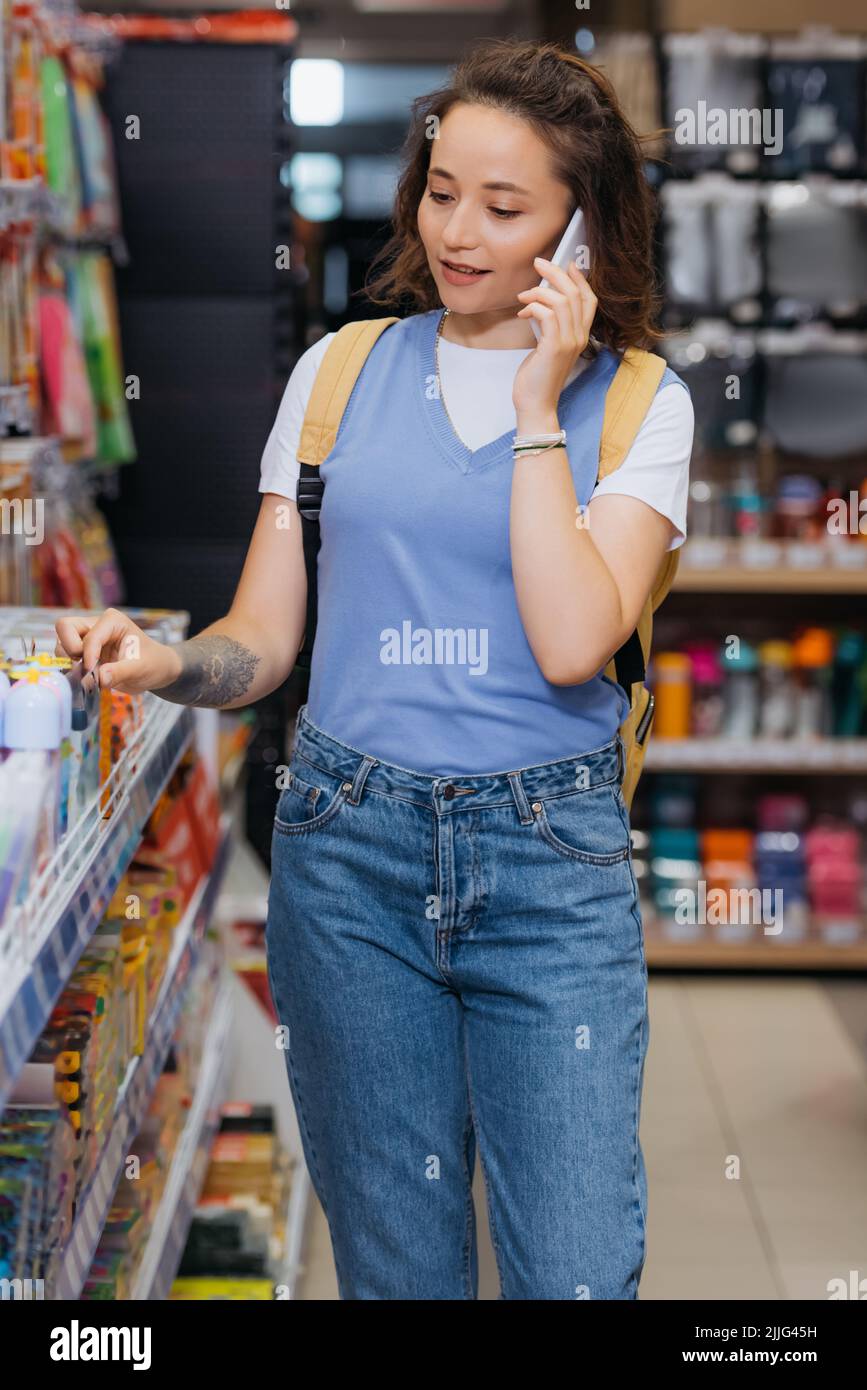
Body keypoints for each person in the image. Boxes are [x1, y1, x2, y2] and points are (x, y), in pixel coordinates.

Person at [56, 38, 694, 1300]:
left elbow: (574, 640)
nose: (457, 230)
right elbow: (265, 641)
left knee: (575, 1266)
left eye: (506, 207)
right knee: (400, 1273)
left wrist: (534, 409)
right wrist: (164, 659)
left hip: (547, 865)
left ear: (583, 231)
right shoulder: (337, 374)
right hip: (349, 849)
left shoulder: (637, 407)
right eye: (441, 189)